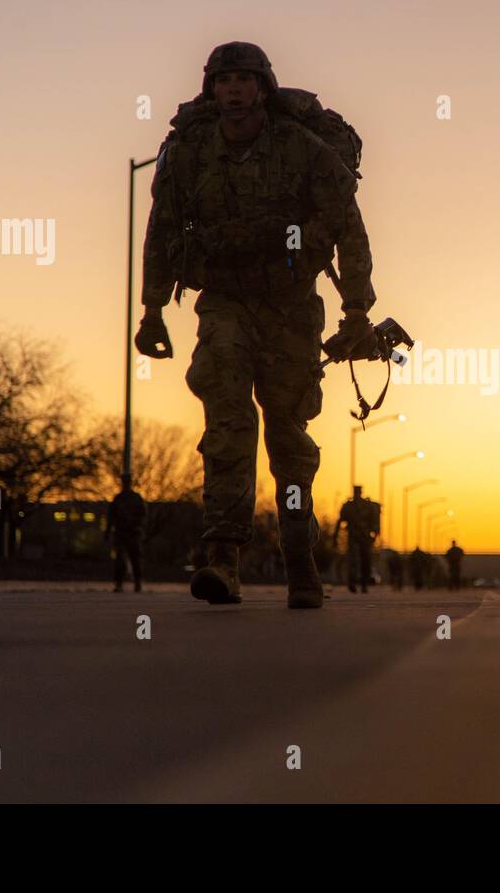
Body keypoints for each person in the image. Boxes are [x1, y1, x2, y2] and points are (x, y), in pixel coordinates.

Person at [135, 42, 376, 609]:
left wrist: (358, 312)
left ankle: (300, 557)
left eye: (245, 78)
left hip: (291, 305)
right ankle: (221, 557)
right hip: (223, 302)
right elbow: (161, 230)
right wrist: (150, 310)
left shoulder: (301, 148)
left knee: (288, 434)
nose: (235, 89)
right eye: (224, 80)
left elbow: (348, 226)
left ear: (264, 87)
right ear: (211, 91)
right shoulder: (190, 153)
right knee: (227, 421)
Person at [106, 475, 147, 593]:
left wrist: (138, 526)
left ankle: (137, 583)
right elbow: (111, 516)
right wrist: (108, 531)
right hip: (122, 533)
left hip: (132, 532)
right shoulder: (120, 499)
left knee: (135, 559)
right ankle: (121, 583)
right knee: (122, 559)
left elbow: (142, 515)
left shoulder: (133, 498)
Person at [338, 485, 380, 593]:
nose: (357, 493)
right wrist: (335, 537)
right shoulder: (348, 506)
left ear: (361, 492)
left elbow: (375, 522)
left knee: (366, 560)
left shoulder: (369, 506)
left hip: (365, 537)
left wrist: (375, 536)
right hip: (353, 536)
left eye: (358, 491)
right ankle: (352, 582)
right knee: (353, 560)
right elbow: (340, 520)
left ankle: (364, 583)